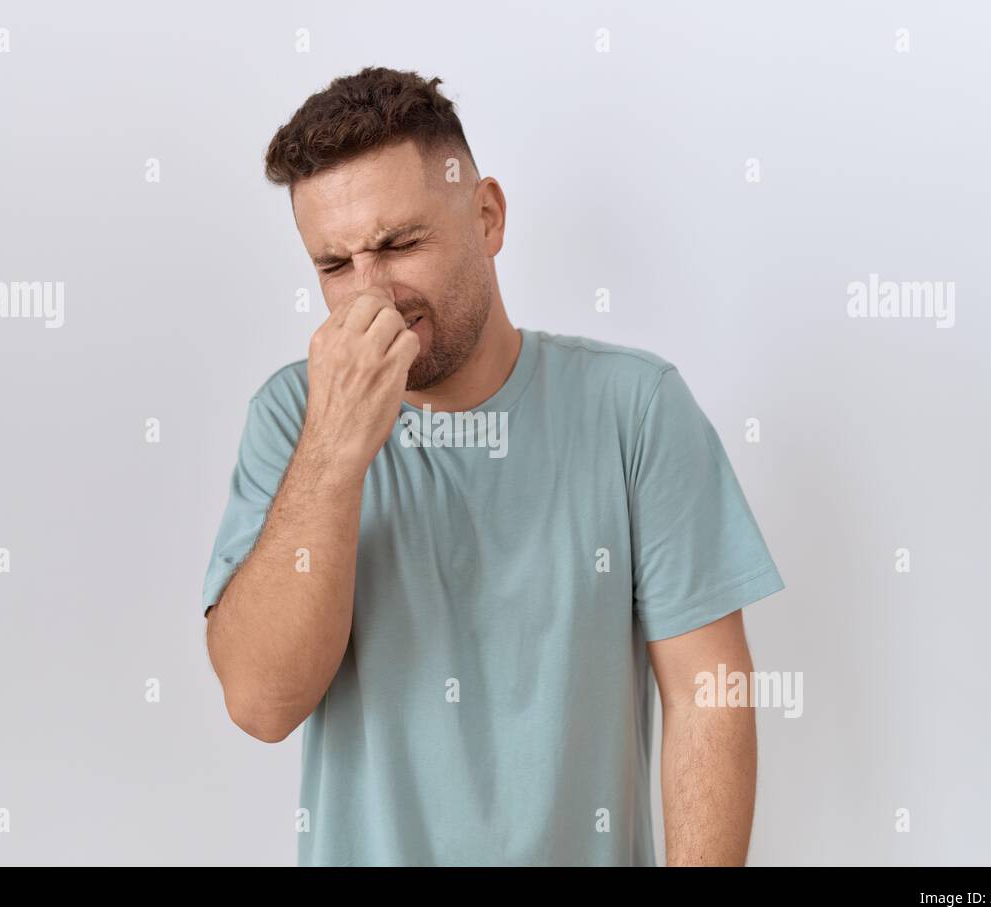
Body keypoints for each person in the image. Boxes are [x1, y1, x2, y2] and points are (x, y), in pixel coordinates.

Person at [202, 66, 785, 866]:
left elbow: (708, 698)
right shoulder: (288, 421)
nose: (372, 297)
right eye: (335, 267)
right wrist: (334, 450)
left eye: (400, 244)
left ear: (487, 217)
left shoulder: (635, 408)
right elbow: (262, 703)